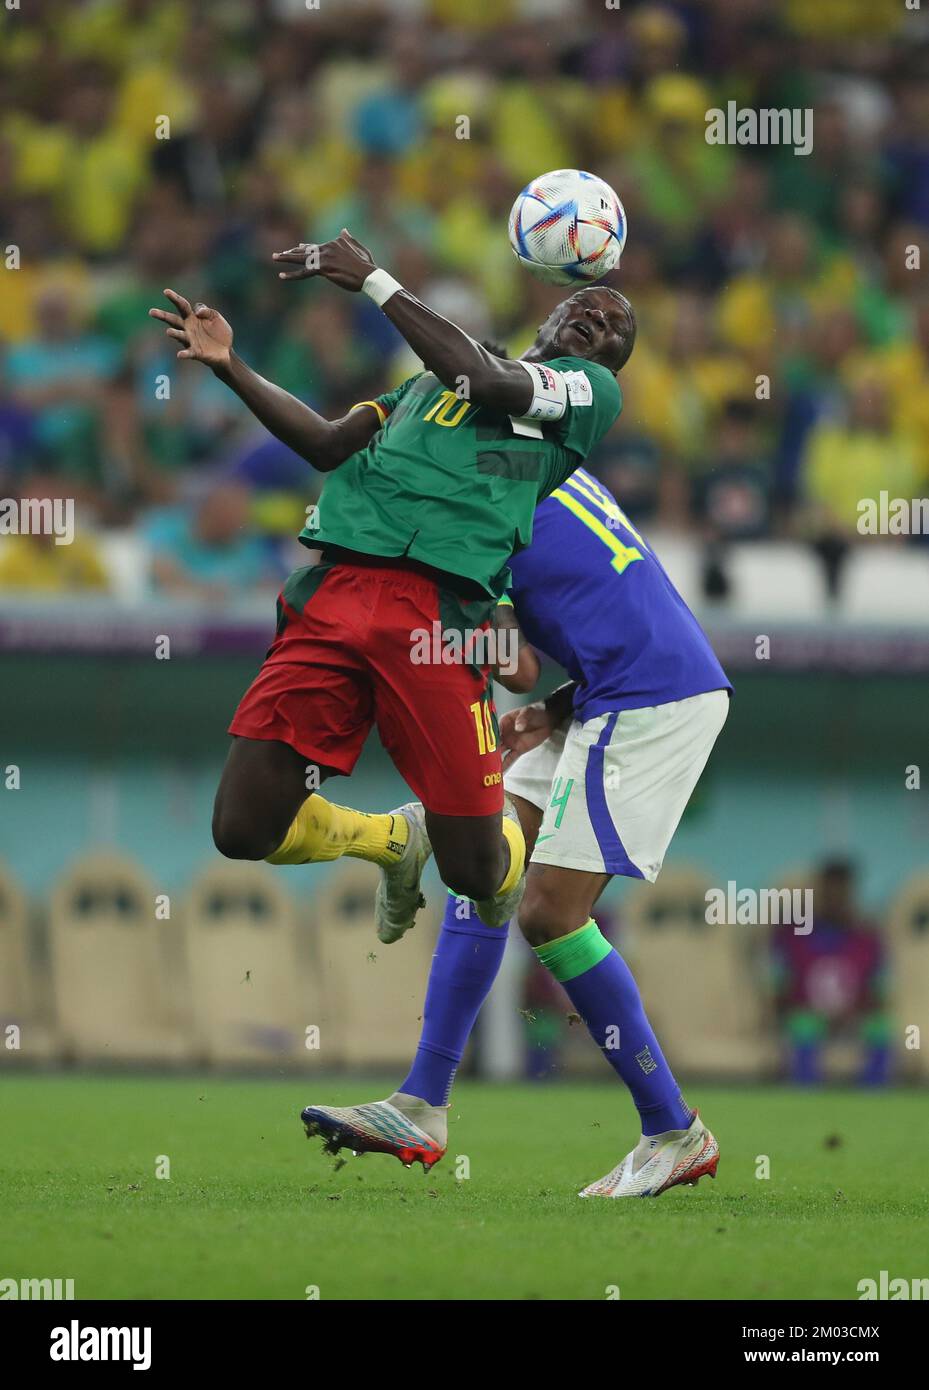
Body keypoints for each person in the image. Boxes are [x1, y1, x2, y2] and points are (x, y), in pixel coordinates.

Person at [148, 228, 635, 933]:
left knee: (472, 870)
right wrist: (230, 365)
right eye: (587, 304)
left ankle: (504, 861)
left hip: (438, 616)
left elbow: (493, 380)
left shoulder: (587, 393)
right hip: (336, 591)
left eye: (617, 327)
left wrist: (376, 281)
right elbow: (323, 441)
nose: (602, 317)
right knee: (241, 829)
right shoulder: (420, 384)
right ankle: (390, 842)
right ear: (548, 316)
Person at [300, 461, 733, 1199]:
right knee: (485, 861)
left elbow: (514, 659)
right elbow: (613, 610)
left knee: (547, 913)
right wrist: (550, 711)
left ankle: (673, 1130)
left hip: (648, 700)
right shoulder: (533, 468)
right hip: (607, 691)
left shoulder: (479, 498)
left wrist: (434, 623)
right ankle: (421, 1105)